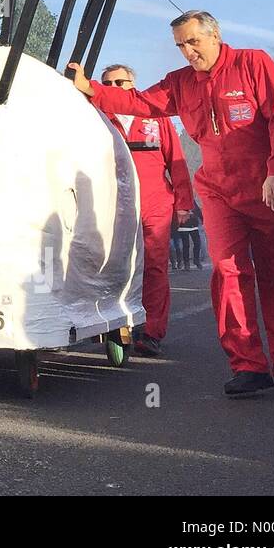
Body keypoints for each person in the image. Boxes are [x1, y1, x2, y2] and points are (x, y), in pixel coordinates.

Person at [69, 9, 274, 397]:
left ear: (215, 35)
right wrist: (93, 89)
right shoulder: (180, 83)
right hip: (219, 192)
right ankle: (248, 365)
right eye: (181, 45)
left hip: (271, 186)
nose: (187, 52)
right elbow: (142, 103)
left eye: (193, 42)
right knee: (228, 273)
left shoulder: (254, 64)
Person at [97, 64, 193, 357]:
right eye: (108, 83)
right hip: (112, 205)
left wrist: (184, 203)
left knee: (153, 267)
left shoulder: (156, 116)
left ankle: (151, 332)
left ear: (133, 84)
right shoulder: (97, 115)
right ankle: (115, 324)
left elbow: (176, 160)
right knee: (115, 267)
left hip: (155, 205)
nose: (114, 87)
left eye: (121, 82)